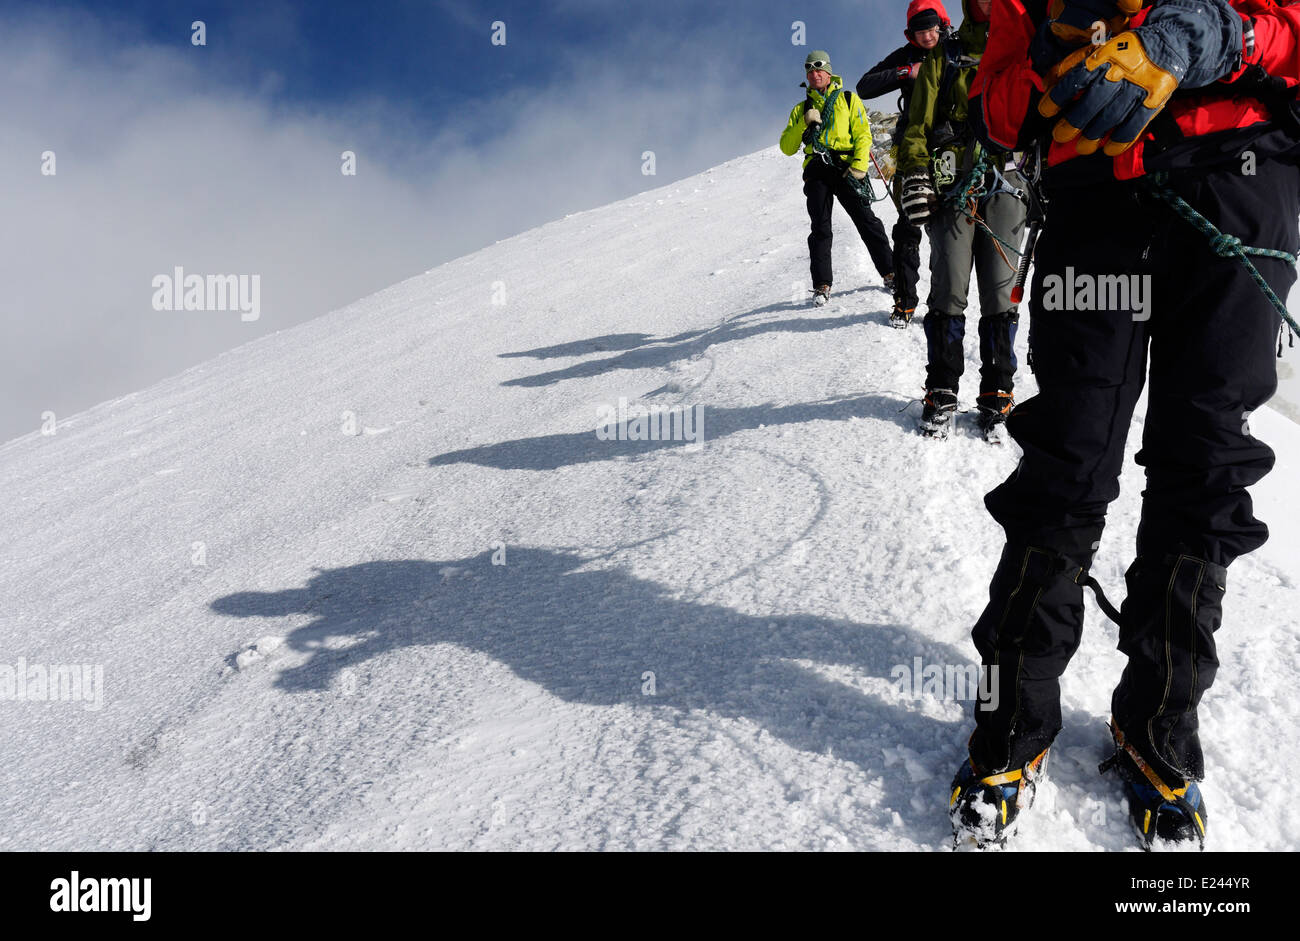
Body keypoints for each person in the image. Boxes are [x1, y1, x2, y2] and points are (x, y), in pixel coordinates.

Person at [948, 0, 1300, 849]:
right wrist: (1047, 56)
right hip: (1095, 199)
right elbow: (995, 110)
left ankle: (1158, 727)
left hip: (1238, 179)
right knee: (1069, 455)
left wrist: (1217, 34)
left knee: (1206, 462)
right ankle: (1012, 719)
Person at [896, 0, 1029, 440]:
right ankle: (942, 389)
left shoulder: (1028, 45)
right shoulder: (944, 56)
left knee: (1000, 292)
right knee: (949, 286)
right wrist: (916, 172)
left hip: (1008, 179)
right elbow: (917, 124)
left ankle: (997, 392)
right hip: (954, 184)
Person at [856, 1, 953, 326]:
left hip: (953, 146)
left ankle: (946, 305)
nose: (927, 36)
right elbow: (865, 86)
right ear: (911, 33)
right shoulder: (906, 56)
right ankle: (905, 301)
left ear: (942, 24)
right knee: (909, 224)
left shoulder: (956, 49)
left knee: (950, 227)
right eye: (920, 30)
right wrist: (905, 72)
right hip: (913, 148)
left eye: (931, 28)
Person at [780, 50, 896, 307]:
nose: (814, 74)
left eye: (819, 68)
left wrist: (859, 165)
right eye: (810, 70)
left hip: (845, 166)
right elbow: (787, 147)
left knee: (866, 220)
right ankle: (822, 284)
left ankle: (890, 272)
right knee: (820, 227)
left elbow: (862, 133)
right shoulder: (801, 109)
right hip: (816, 168)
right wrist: (803, 124)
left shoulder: (848, 99)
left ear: (829, 72)